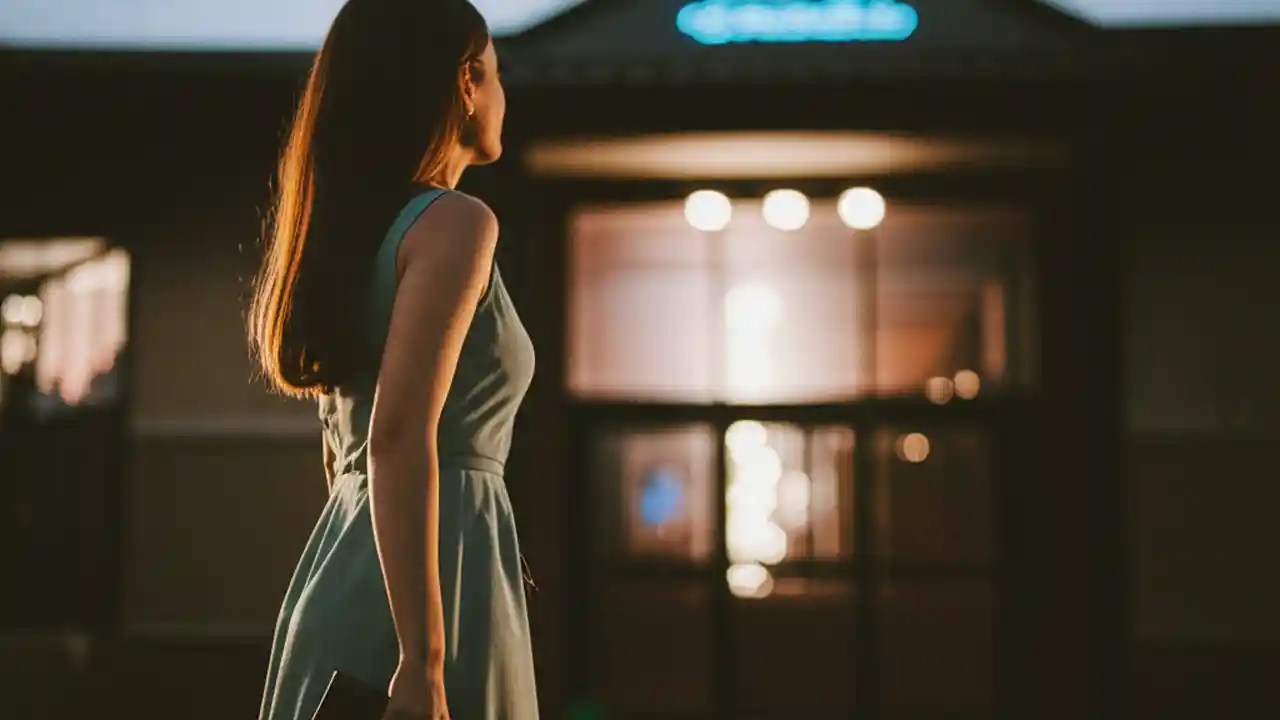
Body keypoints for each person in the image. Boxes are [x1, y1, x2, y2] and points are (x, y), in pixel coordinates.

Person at [247, 1, 536, 718]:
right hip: (432, 592)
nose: (504, 95)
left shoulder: (351, 236)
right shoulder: (457, 224)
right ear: (467, 83)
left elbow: (345, 451)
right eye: (496, 74)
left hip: (347, 576)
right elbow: (400, 434)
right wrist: (424, 657)